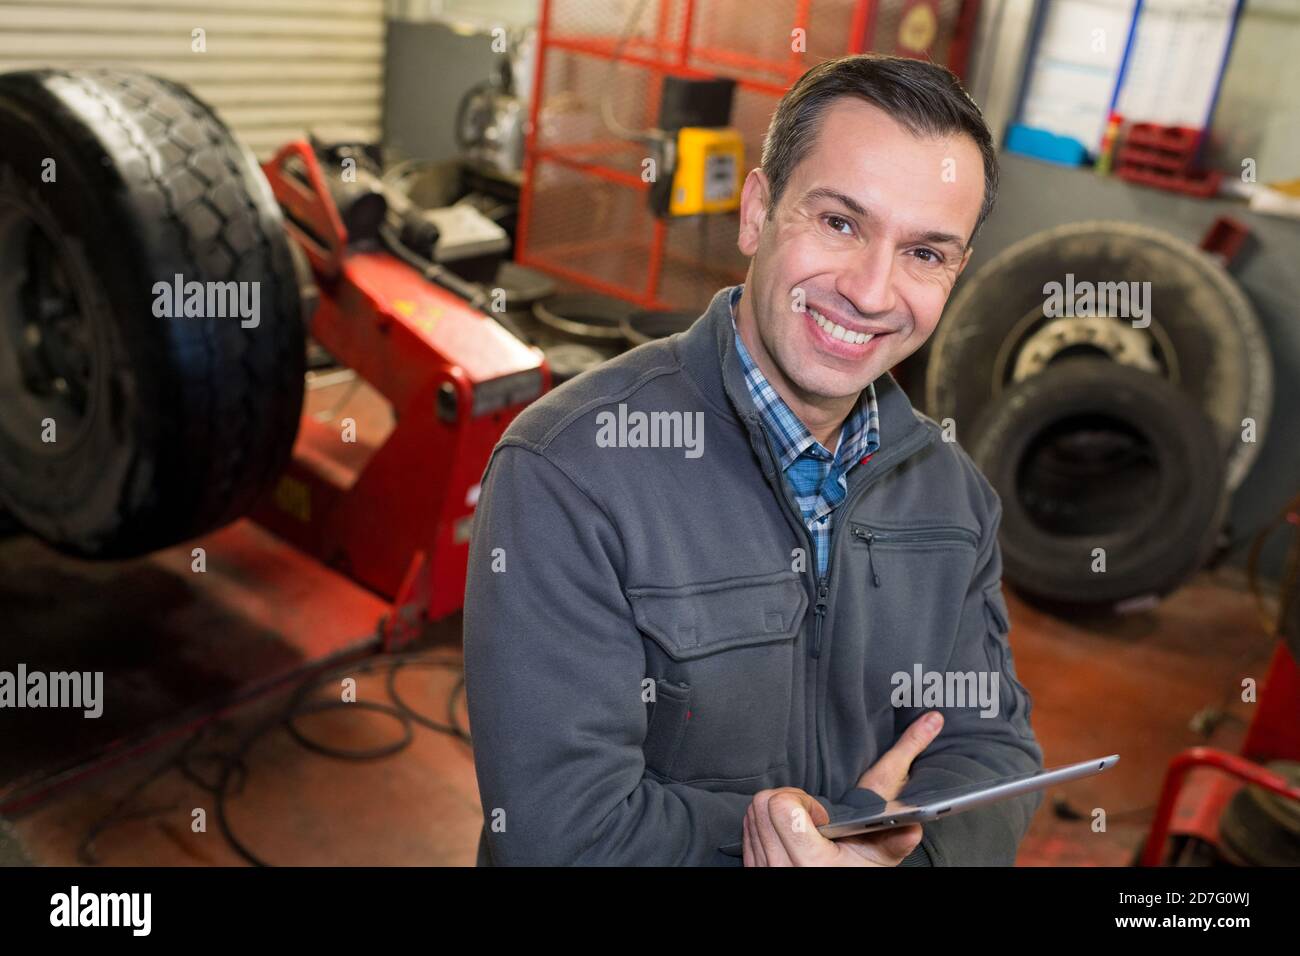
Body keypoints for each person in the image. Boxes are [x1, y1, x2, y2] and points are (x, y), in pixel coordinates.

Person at [464, 53, 1044, 866]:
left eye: (925, 253)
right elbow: (558, 833)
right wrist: (810, 837)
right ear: (758, 212)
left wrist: (899, 858)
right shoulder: (569, 471)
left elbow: (993, 756)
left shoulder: (955, 500)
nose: (873, 292)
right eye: (840, 223)